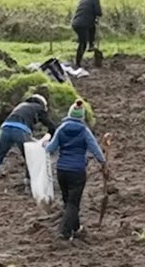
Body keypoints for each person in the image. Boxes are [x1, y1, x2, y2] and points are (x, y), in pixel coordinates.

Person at [43, 99, 107, 241]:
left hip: (61, 170)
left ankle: (76, 228)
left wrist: (45, 144)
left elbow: (50, 149)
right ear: (82, 117)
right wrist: (103, 162)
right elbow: (95, 149)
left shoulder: (61, 129)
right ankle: (65, 232)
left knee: (68, 201)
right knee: (73, 203)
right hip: (77, 171)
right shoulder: (84, 131)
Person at [0, 94, 59, 183]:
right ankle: (28, 180)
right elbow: (49, 124)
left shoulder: (22, 105)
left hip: (5, 128)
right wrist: (53, 135)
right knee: (30, 155)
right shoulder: (39, 107)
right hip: (20, 130)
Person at [71, 0, 104, 68]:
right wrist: (97, 16)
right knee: (83, 43)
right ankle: (77, 63)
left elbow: (85, 12)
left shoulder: (84, 0)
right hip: (83, 24)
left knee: (92, 28)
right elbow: (98, 12)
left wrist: (93, 19)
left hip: (76, 23)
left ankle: (91, 45)